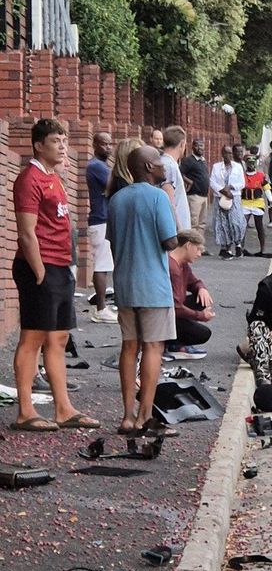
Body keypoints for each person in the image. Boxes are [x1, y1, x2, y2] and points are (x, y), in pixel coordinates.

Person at [11, 119, 100, 432]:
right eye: (56, 141)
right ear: (38, 145)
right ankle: (25, 411)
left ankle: (63, 408)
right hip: (41, 268)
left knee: (59, 338)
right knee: (32, 338)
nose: (63, 146)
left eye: (64, 140)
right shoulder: (29, 178)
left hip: (61, 266)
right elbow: (26, 233)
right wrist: (39, 272)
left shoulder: (54, 177)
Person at [106, 144, 179, 435]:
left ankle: (126, 415)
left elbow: (114, 241)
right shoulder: (159, 197)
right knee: (152, 347)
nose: (163, 166)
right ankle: (144, 415)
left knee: (129, 346)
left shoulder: (116, 199)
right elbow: (170, 241)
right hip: (153, 284)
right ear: (149, 167)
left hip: (124, 282)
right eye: (159, 162)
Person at [167, 228, 215, 359]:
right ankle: (172, 343)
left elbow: (194, 282)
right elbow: (175, 307)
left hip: (173, 310)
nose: (199, 254)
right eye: (198, 249)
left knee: (201, 299)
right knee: (203, 334)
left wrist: (201, 288)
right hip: (167, 315)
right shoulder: (173, 269)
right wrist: (200, 316)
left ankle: (174, 340)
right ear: (188, 245)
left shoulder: (182, 265)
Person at [86, 130, 117, 322]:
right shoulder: (96, 166)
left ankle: (102, 305)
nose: (108, 147)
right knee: (101, 264)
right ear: (95, 145)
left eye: (110, 144)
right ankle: (100, 308)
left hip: (104, 218)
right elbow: (113, 185)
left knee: (105, 263)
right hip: (100, 219)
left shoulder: (102, 165)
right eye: (104, 144)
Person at [209, 144, 247, 259]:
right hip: (220, 198)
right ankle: (225, 248)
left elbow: (242, 183)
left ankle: (238, 244)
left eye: (230, 153)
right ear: (222, 154)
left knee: (236, 223)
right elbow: (212, 181)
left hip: (234, 198)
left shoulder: (238, 167)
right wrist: (222, 190)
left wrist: (231, 187)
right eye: (226, 153)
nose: (228, 155)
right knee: (222, 224)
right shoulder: (216, 167)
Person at [160, 125, 191, 231]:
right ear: (182, 144)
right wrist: (179, 229)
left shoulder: (165, 162)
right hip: (175, 230)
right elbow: (170, 202)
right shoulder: (169, 165)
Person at [181, 137, 211, 237]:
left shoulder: (203, 160)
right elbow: (180, 173)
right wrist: (189, 182)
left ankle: (200, 247)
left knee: (202, 224)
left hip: (204, 196)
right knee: (194, 223)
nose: (200, 147)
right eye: (197, 145)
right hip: (194, 196)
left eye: (202, 145)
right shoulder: (189, 160)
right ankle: (192, 247)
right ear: (193, 147)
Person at [241, 154, 269, 256]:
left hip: (257, 202)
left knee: (259, 226)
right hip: (245, 203)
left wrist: (270, 199)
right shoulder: (242, 176)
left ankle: (263, 249)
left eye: (253, 163)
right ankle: (240, 247)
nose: (251, 165)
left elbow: (266, 187)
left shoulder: (260, 175)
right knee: (242, 226)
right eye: (249, 163)